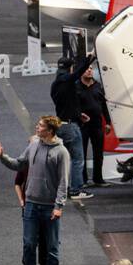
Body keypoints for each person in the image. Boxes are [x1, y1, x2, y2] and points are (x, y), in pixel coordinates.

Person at [0, 116, 69, 265]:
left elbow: (63, 183)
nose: (37, 127)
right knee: (28, 246)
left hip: (50, 207)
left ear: (50, 130)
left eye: (41, 125)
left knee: (52, 248)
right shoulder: (33, 145)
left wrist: (59, 206)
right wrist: (2, 156)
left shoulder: (61, 152)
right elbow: (19, 164)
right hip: (31, 205)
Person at [51, 55, 92, 201]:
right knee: (77, 159)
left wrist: (78, 114)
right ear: (70, 68)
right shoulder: (68, 81)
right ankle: (75, 190)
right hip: (70, 127)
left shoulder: (55, 84)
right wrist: (89, 58)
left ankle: (64, 187)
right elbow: (77, 74)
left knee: (65, 160)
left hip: (60, 124)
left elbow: (65, 104)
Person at [77, 62, 113, 188]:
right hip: (82, 125)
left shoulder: (98, 86)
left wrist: (108, 122)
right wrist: (78, 115)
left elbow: (104, 106)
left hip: (97, 123)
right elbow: (73, 106)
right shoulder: (76, 87)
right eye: (86, 69)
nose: (89, 71)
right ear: (81, 72)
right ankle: (83, 179)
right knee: (81, 152)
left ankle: (98, 178)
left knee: (98, 152)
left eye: (91, 69)